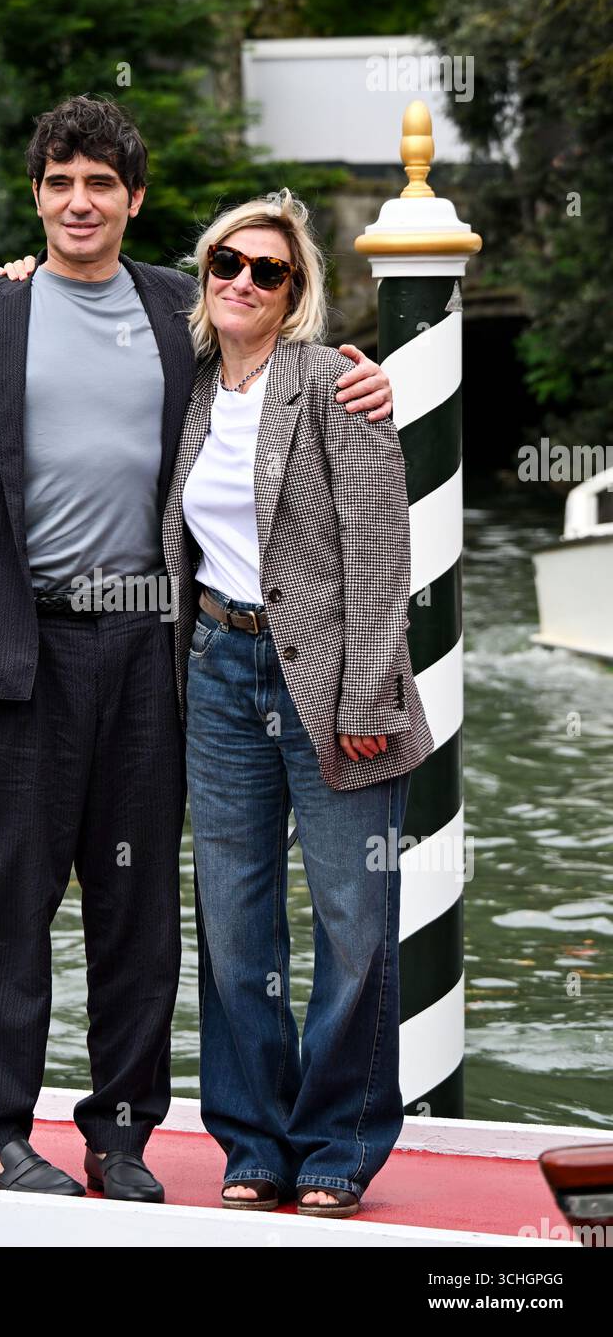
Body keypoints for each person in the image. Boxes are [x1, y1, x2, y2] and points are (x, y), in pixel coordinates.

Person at [0, 95, 391, 1203]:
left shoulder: (180, 308)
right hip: (13, 647)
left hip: (154, 649)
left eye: (101, 183)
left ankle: (121, 1132)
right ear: (37, 195)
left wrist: (365, 376)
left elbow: (270, 368)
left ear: (134, 201)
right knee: (2, 904)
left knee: (136, 908)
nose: (78, 201)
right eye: (59, 182)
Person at [159, 190, 434, 1215]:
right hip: (219, 672)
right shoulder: (184, 388)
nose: (242, 281)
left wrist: (369, 688)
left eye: (267, 270)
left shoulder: (333, 385)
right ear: (204, 276)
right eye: (226, 263)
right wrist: (16, 272)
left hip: (331, 684)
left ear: (297, 291)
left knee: (354, 924)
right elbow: (86, 287)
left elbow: (379, 548)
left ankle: (335, 1145)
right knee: (233, 924)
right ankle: (252, 1138)